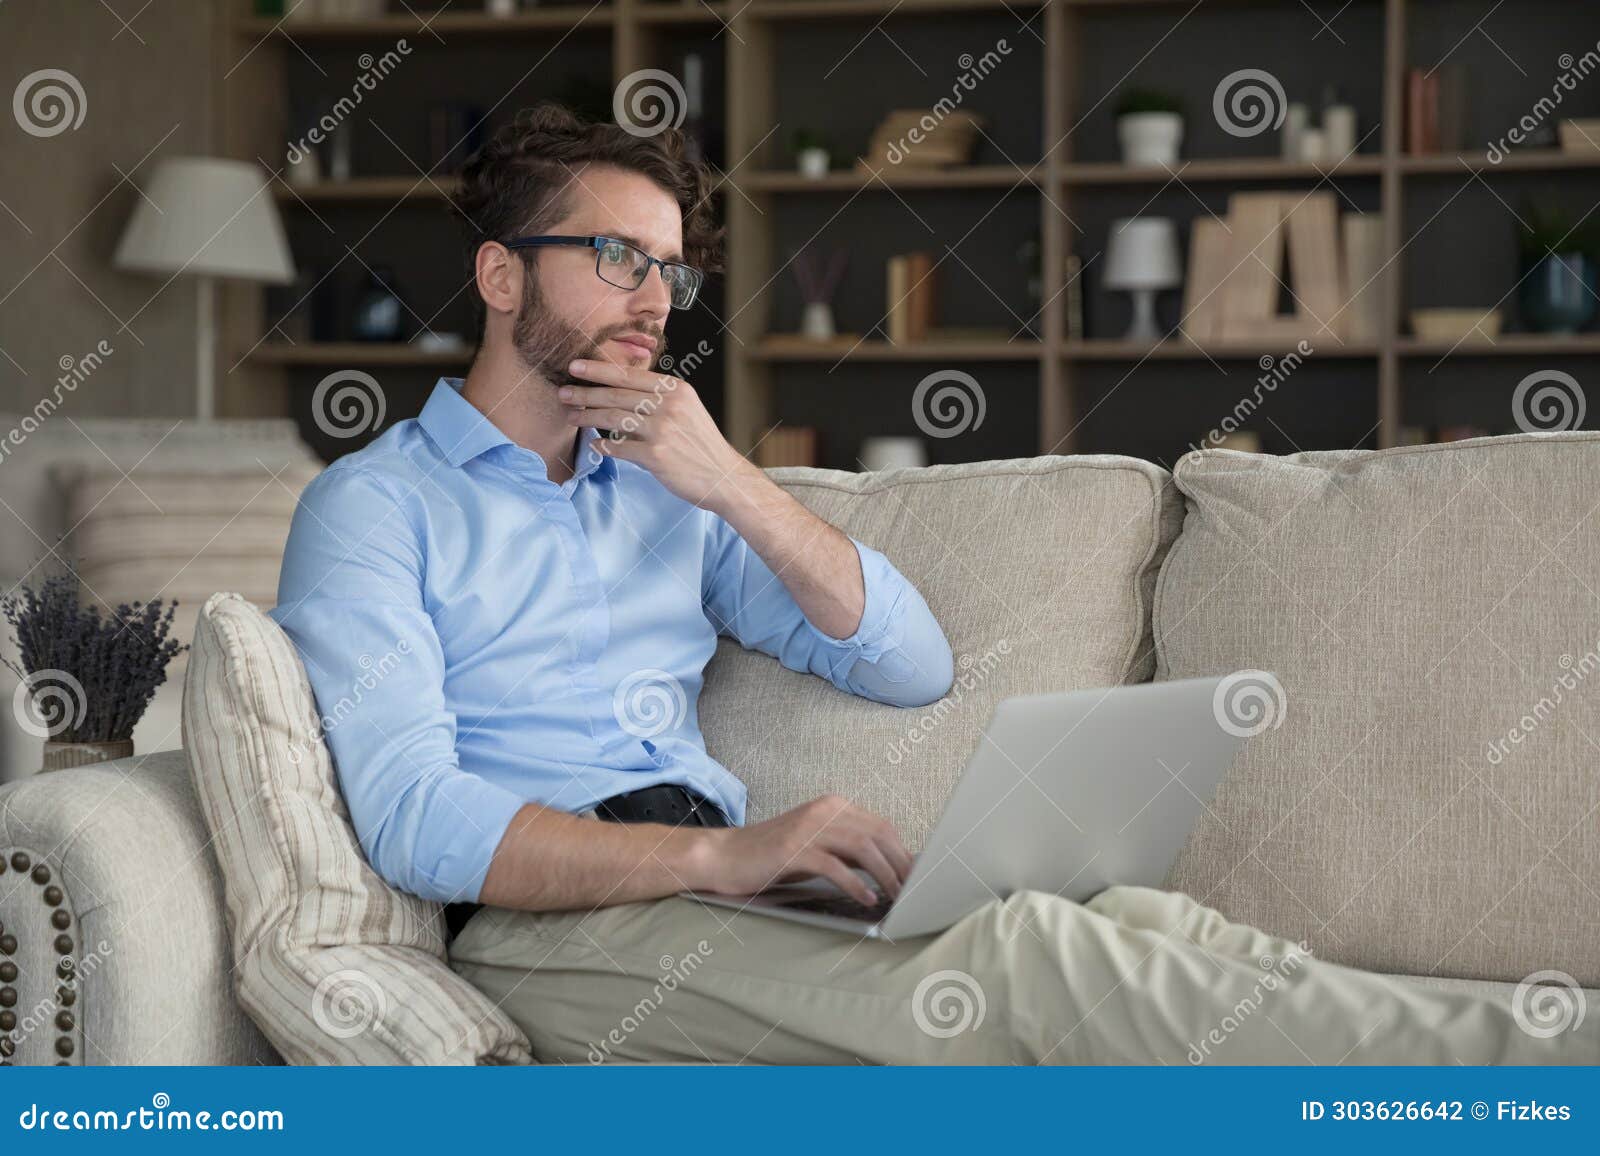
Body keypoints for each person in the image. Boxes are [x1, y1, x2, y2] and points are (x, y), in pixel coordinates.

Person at [270, 103, 1596, 1066]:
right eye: (616, 258)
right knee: (1034, 965)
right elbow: (414, 820)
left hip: (722, 903)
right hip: (552, 938)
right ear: (503, 273)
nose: (654, 298)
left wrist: (730, 481)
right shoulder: (376, 507)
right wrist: (725, 855)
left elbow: (904, 660)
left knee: (1124, 917)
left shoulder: (671, 488)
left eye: (672, 271)